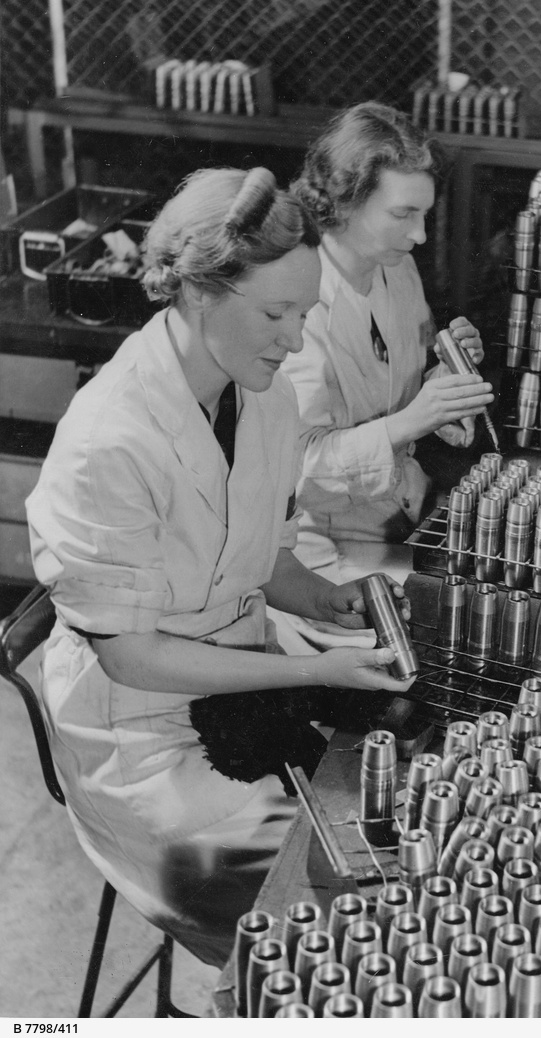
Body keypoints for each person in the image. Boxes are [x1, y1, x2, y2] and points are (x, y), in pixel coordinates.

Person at [25, 167, 414, 968]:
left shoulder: (263, 394)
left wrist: (330, 599)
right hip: (141, 738)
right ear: (201, 291)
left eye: (304, 314)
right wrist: (320, 672)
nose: (295, 340)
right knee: (338, 908)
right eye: (275, 313)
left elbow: (262, 557)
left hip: (236, 687)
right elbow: (132, 658)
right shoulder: (111, 439)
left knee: (386, 827)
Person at [286, 101, 494, 589]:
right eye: (402, 214)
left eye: (423, 215)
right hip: (321, 550)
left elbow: (398, 390)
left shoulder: (395, 268)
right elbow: (296, 475)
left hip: (404, 510)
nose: (419, 235)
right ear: (344, 202)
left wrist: (448, 375)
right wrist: (414, 420)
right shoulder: (296, 302)